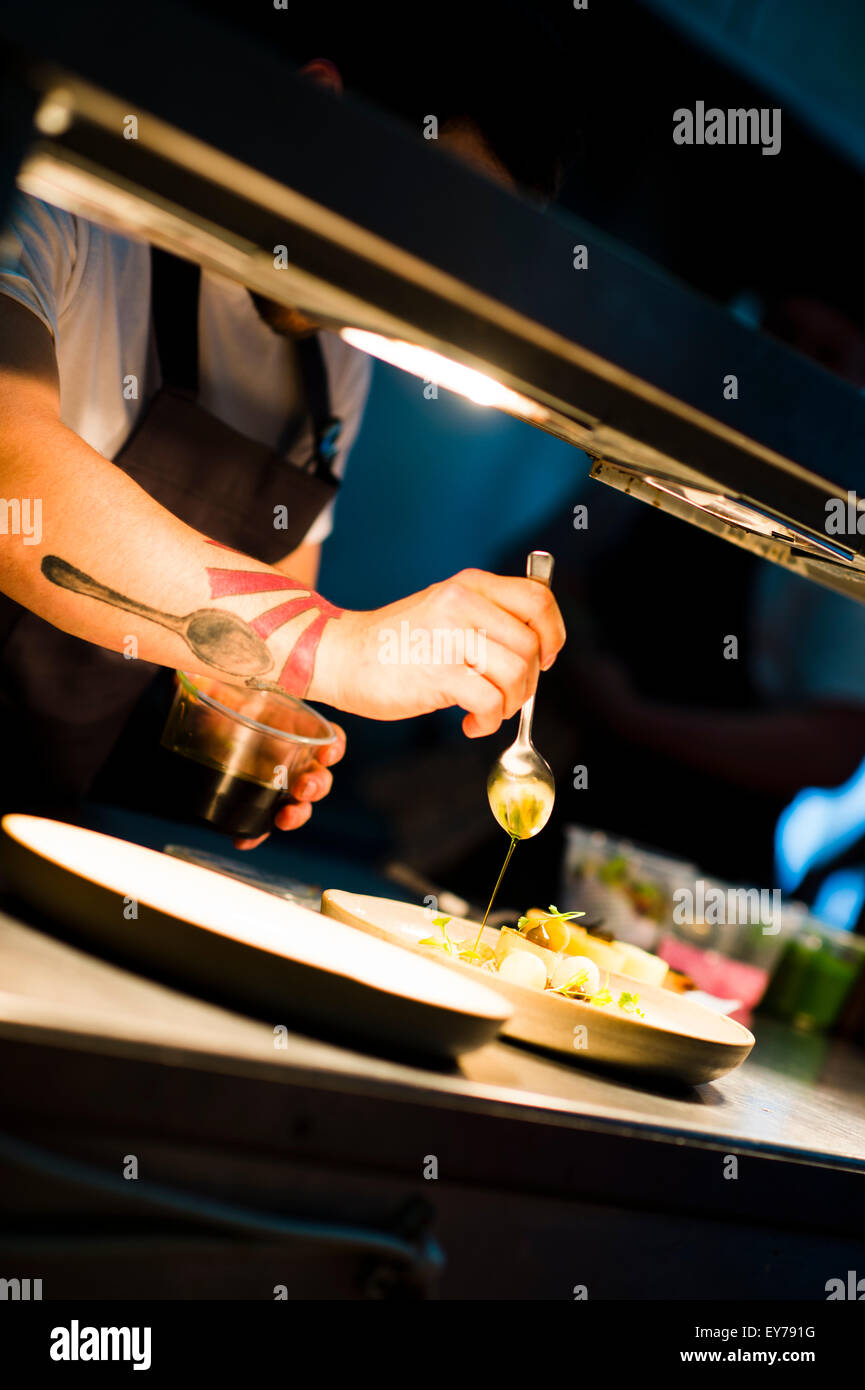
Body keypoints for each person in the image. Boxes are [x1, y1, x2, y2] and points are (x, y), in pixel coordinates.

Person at [0, 52, 567, 847]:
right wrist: (336, 650)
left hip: (44, 824)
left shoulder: (332, 361)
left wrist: (260, 714)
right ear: (316, 105)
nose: (406, 278)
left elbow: (266, 624)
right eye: (417, 215)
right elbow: (11, 477)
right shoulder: (60, 187)